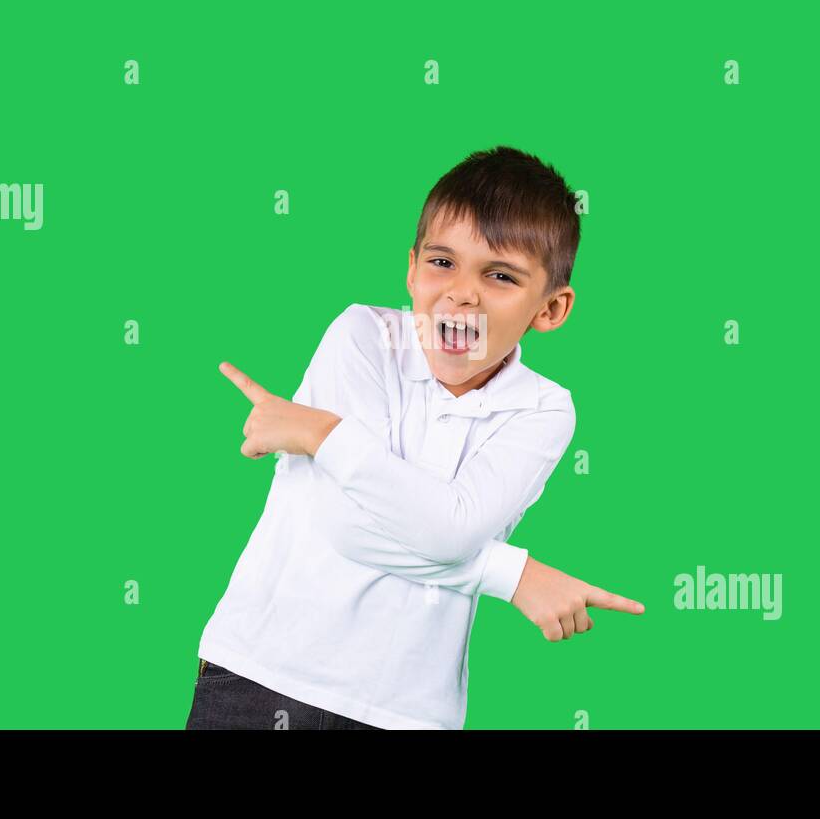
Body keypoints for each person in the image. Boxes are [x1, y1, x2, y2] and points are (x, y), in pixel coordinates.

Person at [186, 146, 644, 730]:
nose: (462, 294)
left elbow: (449, 529)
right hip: (259, 673)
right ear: (411, 269)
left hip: (405, 713)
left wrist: (321, 432)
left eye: (500, 276)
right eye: (442, 263)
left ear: (550, 309)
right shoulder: (362, 337)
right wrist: (514, 575)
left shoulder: (543, 409)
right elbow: (346, 525)